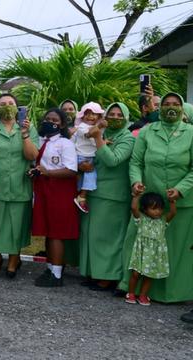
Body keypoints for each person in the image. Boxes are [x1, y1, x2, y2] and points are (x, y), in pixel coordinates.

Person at [119, 92, 193, 303]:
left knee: (175, 250)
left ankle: (173, 293)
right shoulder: (147, 131)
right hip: (148, 200)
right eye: (166, 104)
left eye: (175, 104)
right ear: (159, 109)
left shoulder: (191, 132)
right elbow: (136, 162)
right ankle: (130, 288)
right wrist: (136, 182)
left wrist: (181, 188)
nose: (171, 107)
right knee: (138, 243)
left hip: (180, 202)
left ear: (182, 108)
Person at [0, 94, 38, 279]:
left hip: (20, 187)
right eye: (3, 104)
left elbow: (32, 156)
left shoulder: (28, 128)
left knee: (16, 227)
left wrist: (25, 134)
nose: (7, 107)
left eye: (11, 104)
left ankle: (13, 261)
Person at [78, 102, 135, 291]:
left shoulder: (127, 138)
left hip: (113, 195)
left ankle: (108, 276)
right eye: (112, 114)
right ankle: (92, 272)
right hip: (93, 191)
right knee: (91, 235)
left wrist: (97, 138)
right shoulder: (103, 132)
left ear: (126, 117)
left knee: (108, 238)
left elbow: (112, 160)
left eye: (120, 115)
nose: (116, 117)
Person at [31, 109, 79, 287]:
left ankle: (57, 274)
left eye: (55, 120)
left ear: (63, 124)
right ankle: (50, 268)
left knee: (57, 232)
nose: (50, 122)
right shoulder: (43, 141)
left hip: (60, 190)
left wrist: (47, 172)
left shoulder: (65, 143)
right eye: (47, 119)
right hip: (44, 189)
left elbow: (71, 170)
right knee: (48, 231)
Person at [125, 192, 176, 306]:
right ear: (145, 209)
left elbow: (173, 213)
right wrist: (136, 196)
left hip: (155, 254)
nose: (158, 211)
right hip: (141, 251)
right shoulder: (141, 219)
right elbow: (134, 208)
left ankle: (143, 295)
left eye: (160, 208)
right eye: (154, 208)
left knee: (149, 276)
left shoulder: (163, 221)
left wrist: (172, 201)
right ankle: (131, 293)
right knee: (135, 274)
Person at [72, 102, 105, 213]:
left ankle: (80, 195)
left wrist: (105, 142)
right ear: (82, 116)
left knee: (85, 177)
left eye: (93, 114)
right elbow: (89, 135)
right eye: (87, 114)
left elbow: (96, 142)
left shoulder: (99, 129)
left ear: (99, 116)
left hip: (90, 156)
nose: (90, 116)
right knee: (91, 175)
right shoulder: (82, 127)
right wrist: (99, 126)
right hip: (81, 156)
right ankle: (81, 197)